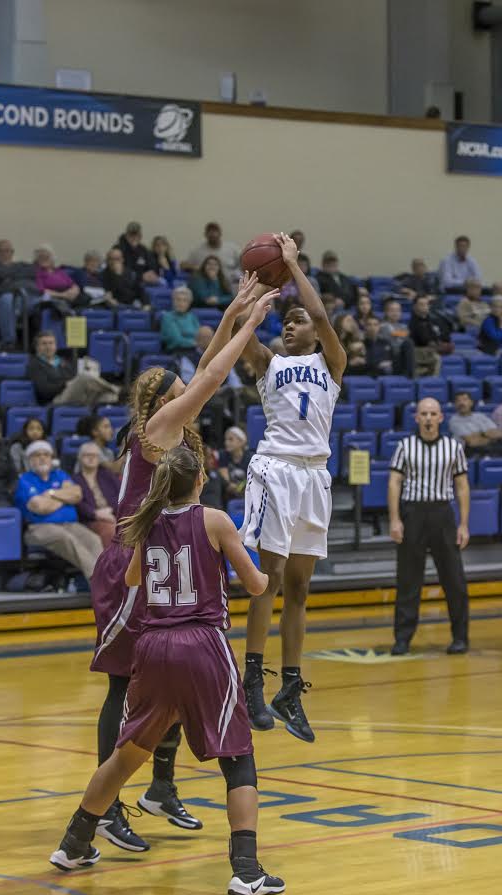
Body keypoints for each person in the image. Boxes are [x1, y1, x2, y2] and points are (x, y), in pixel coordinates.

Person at [86, 281, 276, 853]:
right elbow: (212, 376)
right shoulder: (160, 430)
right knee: (126, 685)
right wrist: (248, 329)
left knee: (170, 670)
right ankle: (105, 809)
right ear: (164, 401)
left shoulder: (159, 426)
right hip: (130, 564)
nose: (189, 388)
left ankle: (160, 787)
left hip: (155, 552)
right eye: (180, 389)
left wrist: (231, 311)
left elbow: (200, 370)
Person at [49, 446, 282, 895]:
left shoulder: (146, 522)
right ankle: (247, 870)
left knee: (127, 754)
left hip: (152, 646)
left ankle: (74, 843)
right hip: (202, 643)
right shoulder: (215, 520)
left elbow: (134, 580)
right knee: (237, 756)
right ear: (199, 481)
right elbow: (256, 587)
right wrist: (267, 571)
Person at [233, 236, 345, 745]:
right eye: (286, 322)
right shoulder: (269, 365)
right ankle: (253, 678)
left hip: (314, 475)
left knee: (300, 586)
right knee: (269, 576)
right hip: (276, 469)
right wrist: (249, 300)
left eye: (295, 322)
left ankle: (290, 689)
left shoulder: (331, 364)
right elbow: (244, 335)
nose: (291, 325)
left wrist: (295, 268)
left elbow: (321, 316)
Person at [388, 398, 469, 655]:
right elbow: (394, 483)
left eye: (433, 413)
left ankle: (460, 638)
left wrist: (464, 524)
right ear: (416, 417)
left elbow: (462, 487)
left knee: (454, 580)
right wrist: (394, 519)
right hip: (413, 514)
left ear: (441, 417)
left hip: (442, 513)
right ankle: (402, 639)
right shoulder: (404, 446)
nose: (428, 418)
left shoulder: (453, 447)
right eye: (424, 413)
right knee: (408, 580)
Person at [15, 441, 103, 578]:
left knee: (94, 539)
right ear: (30, 460)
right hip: (39, 527)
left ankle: (106, 579)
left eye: (46, 454)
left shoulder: (60, 474)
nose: (42, 458)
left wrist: (50, 494)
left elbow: (77, 494)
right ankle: (98, 580)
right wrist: (63, 498)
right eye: (37, 455)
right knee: (67, 539)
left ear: (52, 458)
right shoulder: (25, 480)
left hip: (69, 524)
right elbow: (40, 507)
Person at [29, 331, 119, 406]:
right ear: (37, 347)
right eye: (44, 344)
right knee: (83, 377)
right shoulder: (35, 364)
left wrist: (71, 383)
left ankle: (118, 393)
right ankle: (117, 389)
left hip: (75, 395)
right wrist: (65, 384)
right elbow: (44, 390)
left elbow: (73, 378)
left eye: (51, 343)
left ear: (55, 346)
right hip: (55, 400)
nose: (48, 347)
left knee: (110, 396)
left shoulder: (63, 362)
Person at [73, 441, 121, 547]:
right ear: (80, 458)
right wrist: (95, 514)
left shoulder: (108, 475)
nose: (91, 458)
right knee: (111, 530)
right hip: (91, 520)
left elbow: (122, 495)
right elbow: (78, 503)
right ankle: (110, 563)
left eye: (95, 455)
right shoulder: (75, 479)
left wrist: (111, 510)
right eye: (87, 455)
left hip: (114, 515)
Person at [447, 390, 502, 457]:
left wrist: (479, 435)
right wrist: (486, 434)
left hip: (492, 447)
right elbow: (472, 442)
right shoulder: (454, 421)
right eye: (458, 401)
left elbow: (498, 434)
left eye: (465, 400)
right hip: (469, 452)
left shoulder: (481, 416)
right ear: (455, 404)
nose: (461, 403)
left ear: (471, 402)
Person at [160, 287, 201, 358]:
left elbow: (199, 336)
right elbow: (177, 340)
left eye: (185, 300)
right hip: (176, 353)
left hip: (194, 351)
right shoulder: (168, 317)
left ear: (189, 303)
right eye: (178, 300)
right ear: (173, 301)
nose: (181, 303)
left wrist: (198, 343)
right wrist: (195, 343)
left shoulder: (192, 316)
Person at [218, 426, 251, 499]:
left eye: (230, 439)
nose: (226, 443)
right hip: (229, 496)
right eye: (225, 440)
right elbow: (226, 482)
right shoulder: (223, 455)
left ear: (241, 441)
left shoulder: (250, 457)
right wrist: (232, 486)